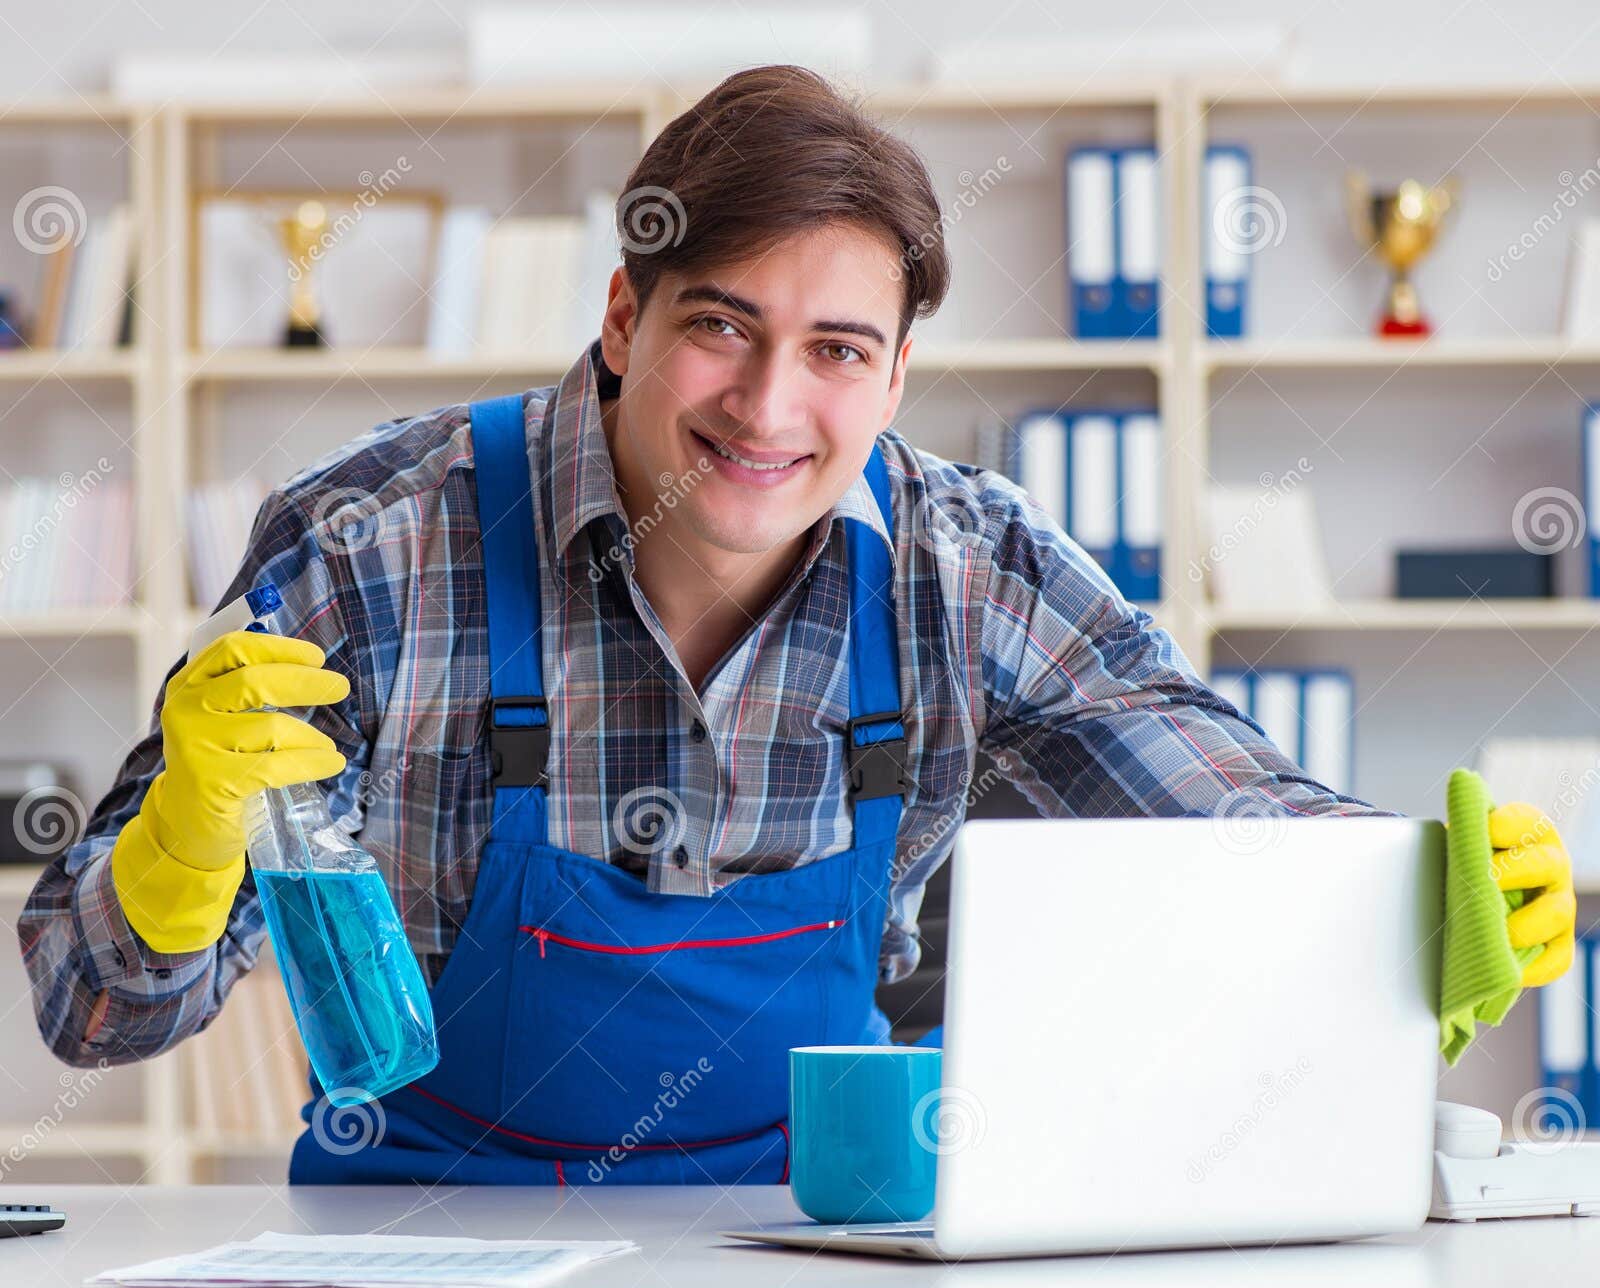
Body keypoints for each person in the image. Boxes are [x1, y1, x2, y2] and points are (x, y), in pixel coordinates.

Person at [18, 65, 1574, 1186]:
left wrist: (1414, 895)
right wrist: (181, 845)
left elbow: (1220, 811)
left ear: (894, 378)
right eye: (721, 326)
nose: (769, 407)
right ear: (622, 318)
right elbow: (91, 1009)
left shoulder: (967, 569)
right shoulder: (380, 545)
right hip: (429, 1261)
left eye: (836, 349)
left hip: (815, 1255)